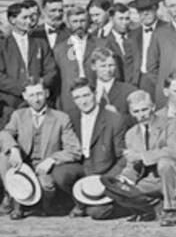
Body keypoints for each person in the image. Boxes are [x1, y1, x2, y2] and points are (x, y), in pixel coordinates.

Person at [0, 80, 80, 219]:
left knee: (47, 193)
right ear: (25, 96)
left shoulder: (61, 118)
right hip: (23, 166)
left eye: (39, 94)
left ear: (46, 93)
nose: (37, 99)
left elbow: (74, 150)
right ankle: (15, 198)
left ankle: (45, 203)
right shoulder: (18, 115)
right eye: (32, 95)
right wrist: (14, 149)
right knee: (5, 156)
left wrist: (52, 160)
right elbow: (4, 134)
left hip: (45, 169)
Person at [106, 90, 176, 226]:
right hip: (148, 180)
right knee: (114, 189)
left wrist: (142, 156)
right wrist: (124, 178)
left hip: (173, 177)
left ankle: (171, 210)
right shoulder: (131, 134)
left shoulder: (171, 124)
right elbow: (133, 165)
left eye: (144, 109)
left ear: (153, 107)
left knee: (164, 163)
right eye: (136, 112)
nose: (141, 115)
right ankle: (152, 208)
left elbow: (175, 152)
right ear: (131, 113)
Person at [52, 80, 125, 219]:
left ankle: (101, 204)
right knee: (61, 174)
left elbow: (122, 157)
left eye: (86, 95)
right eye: (77, 98)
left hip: (103, 171)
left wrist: (107, 179)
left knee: (98, 213)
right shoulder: (70, 117)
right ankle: (79, 202)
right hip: (81, 167)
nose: (83, 101)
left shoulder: (113, 119)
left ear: (95, 94)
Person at [0, 2, 58, 111]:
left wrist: (38, 86)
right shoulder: (0, 46)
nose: (29, 21)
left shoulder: (41, 43)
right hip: (12, 102)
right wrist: (22, 88)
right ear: (13, 20)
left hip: (39, 100)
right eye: (24, 18)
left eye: (30, 18)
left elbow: (51, 70)